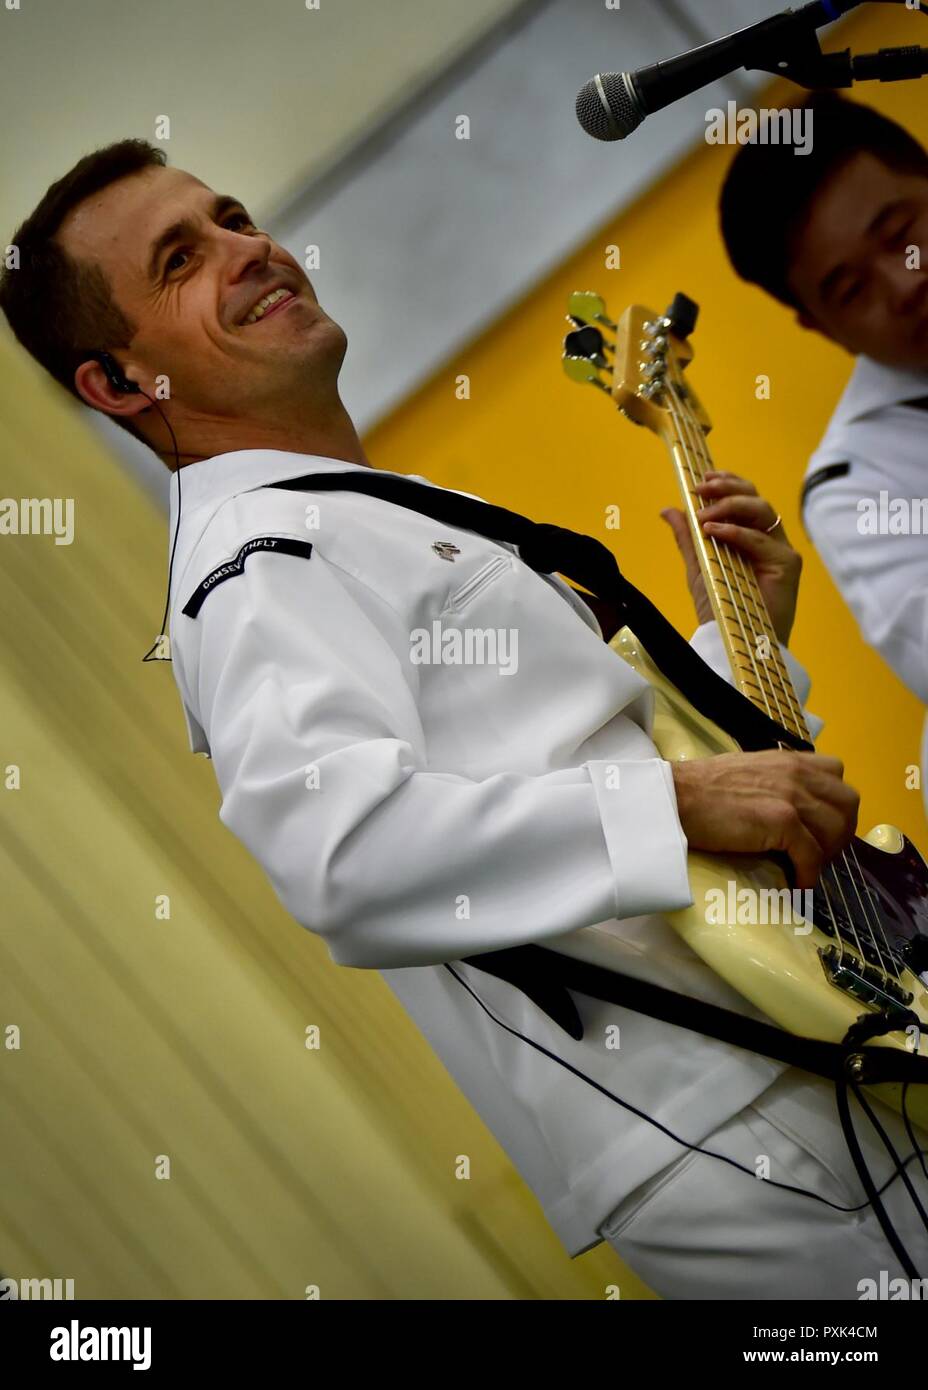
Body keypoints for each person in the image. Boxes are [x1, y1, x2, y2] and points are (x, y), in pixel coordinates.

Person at [1, 138, 923, 1301]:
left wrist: (744, 645)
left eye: (232, 216)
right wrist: (678, 797)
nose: (248, 250)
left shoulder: (342, 520)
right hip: (723, 1110)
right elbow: (346, 855)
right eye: (182, 259)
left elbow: (589, 768)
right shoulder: (259, 568)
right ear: (123, 385)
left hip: (783, 1050)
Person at [720, 91, 928, 818]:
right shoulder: (853, 482)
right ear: (819, 326)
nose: (905, 283)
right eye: (850, 289)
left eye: (902, 231)